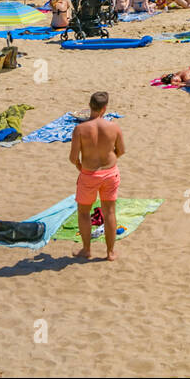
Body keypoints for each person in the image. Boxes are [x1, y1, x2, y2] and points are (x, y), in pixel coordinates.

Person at [69, 92, 124, 260]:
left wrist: (80, 167)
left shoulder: (80, 129)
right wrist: (110, 160)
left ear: (89, 106)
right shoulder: (113, 127)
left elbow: (73, 157)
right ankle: (110, 252)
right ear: (104, 108)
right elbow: (121, 151)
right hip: (110, 173)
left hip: (89, 175)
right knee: (109, 212)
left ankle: (86, 250)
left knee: (84, 213)